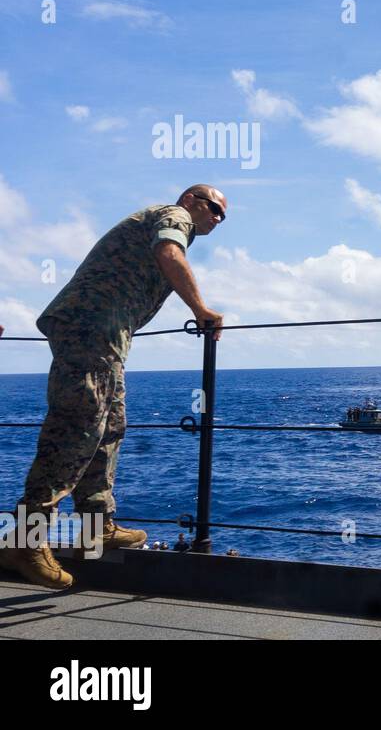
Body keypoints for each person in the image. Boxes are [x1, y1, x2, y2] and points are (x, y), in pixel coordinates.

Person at [0, 185, 227, 589]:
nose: (217, 218)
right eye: (214, 208)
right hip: (91, 332)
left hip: (105, 336)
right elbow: (168, 253)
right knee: (74, 431)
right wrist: (201, 310)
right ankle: (23, 540)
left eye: (222, 216)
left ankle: (95, 529)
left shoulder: (171, 220)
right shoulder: (174, 217)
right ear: (191, 200)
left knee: (107, 430)